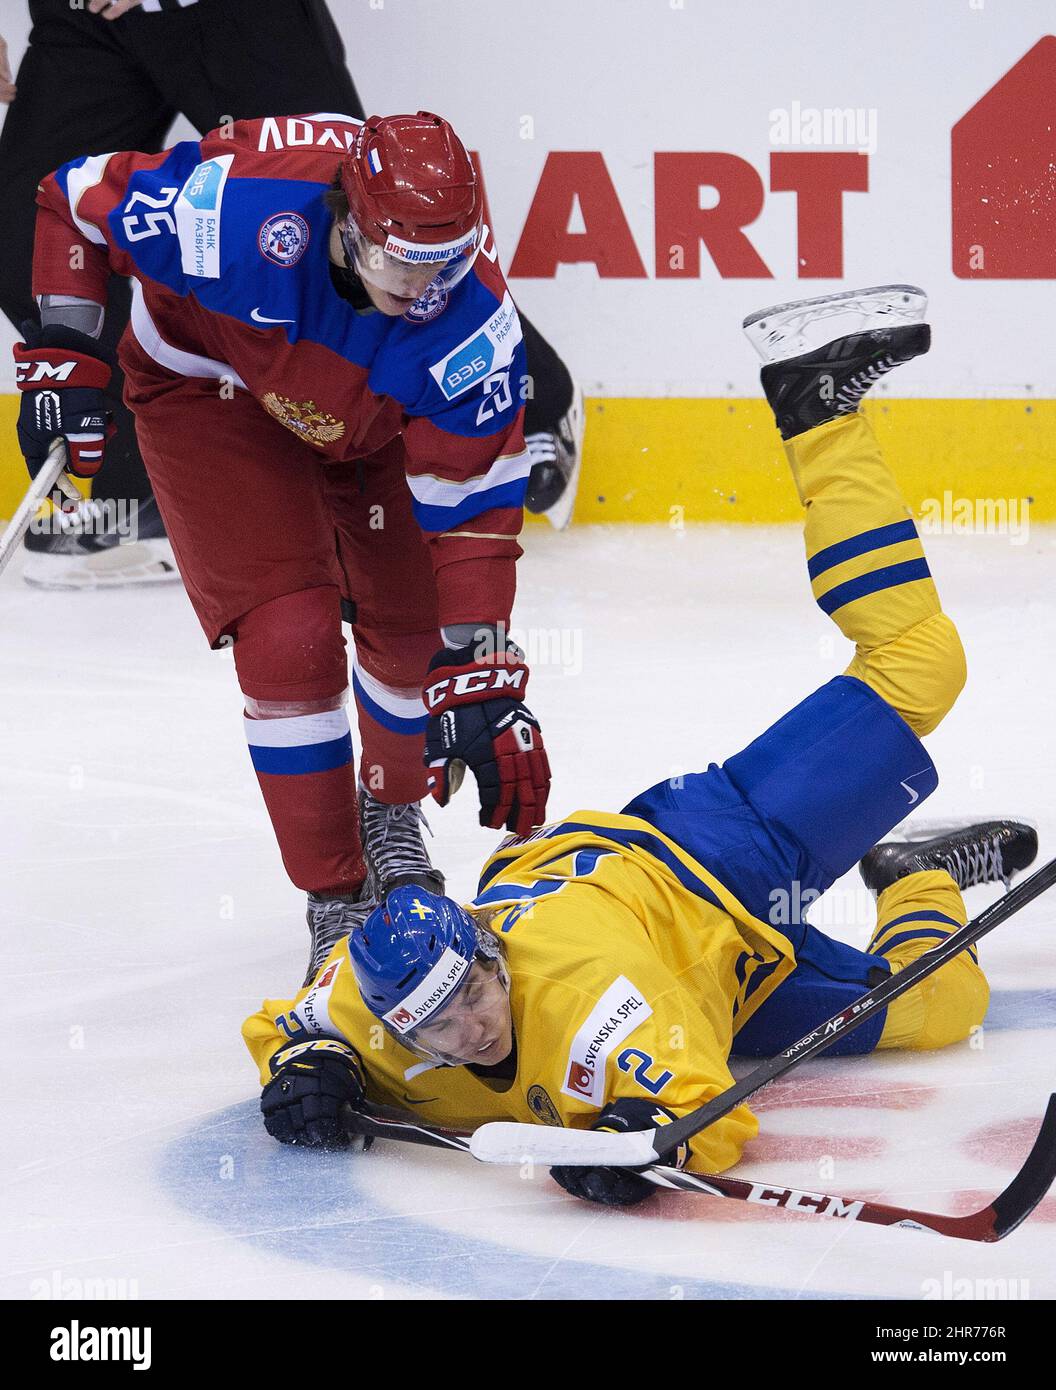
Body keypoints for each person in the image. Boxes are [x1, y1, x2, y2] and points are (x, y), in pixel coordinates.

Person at [243, 286, 1038, 1202]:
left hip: (702, 861)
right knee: (947, 1006)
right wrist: (307, 1066)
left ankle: (818, 410)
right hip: (726, 980)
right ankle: (917, 875)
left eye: (471, 996)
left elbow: (707, 1116)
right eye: (438, 1027)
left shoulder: (596, 997)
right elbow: (287, 1024)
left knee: (920, 664)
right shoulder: (380, 1004)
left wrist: (650, 1142)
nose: (470, 1032)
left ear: (490, 957)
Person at [16, 109, 551, 974]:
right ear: (348, 220)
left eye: (446, 264)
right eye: (400, 262)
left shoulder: (472, 322)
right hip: (210, 391)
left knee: (419, 640)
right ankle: (335, 896)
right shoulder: (227, 208)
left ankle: (390, 813)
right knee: (288, 637)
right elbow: (70, 199)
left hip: (368, 418)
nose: (424, 291)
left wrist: (478, 655)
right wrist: (63, 349)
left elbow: (473, 509)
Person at [0, 1, 580, 590]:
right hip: (82, 18)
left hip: (228, 14)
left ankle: (541, 397)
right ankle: (143, 487)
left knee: (370, 222)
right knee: (24, 231)